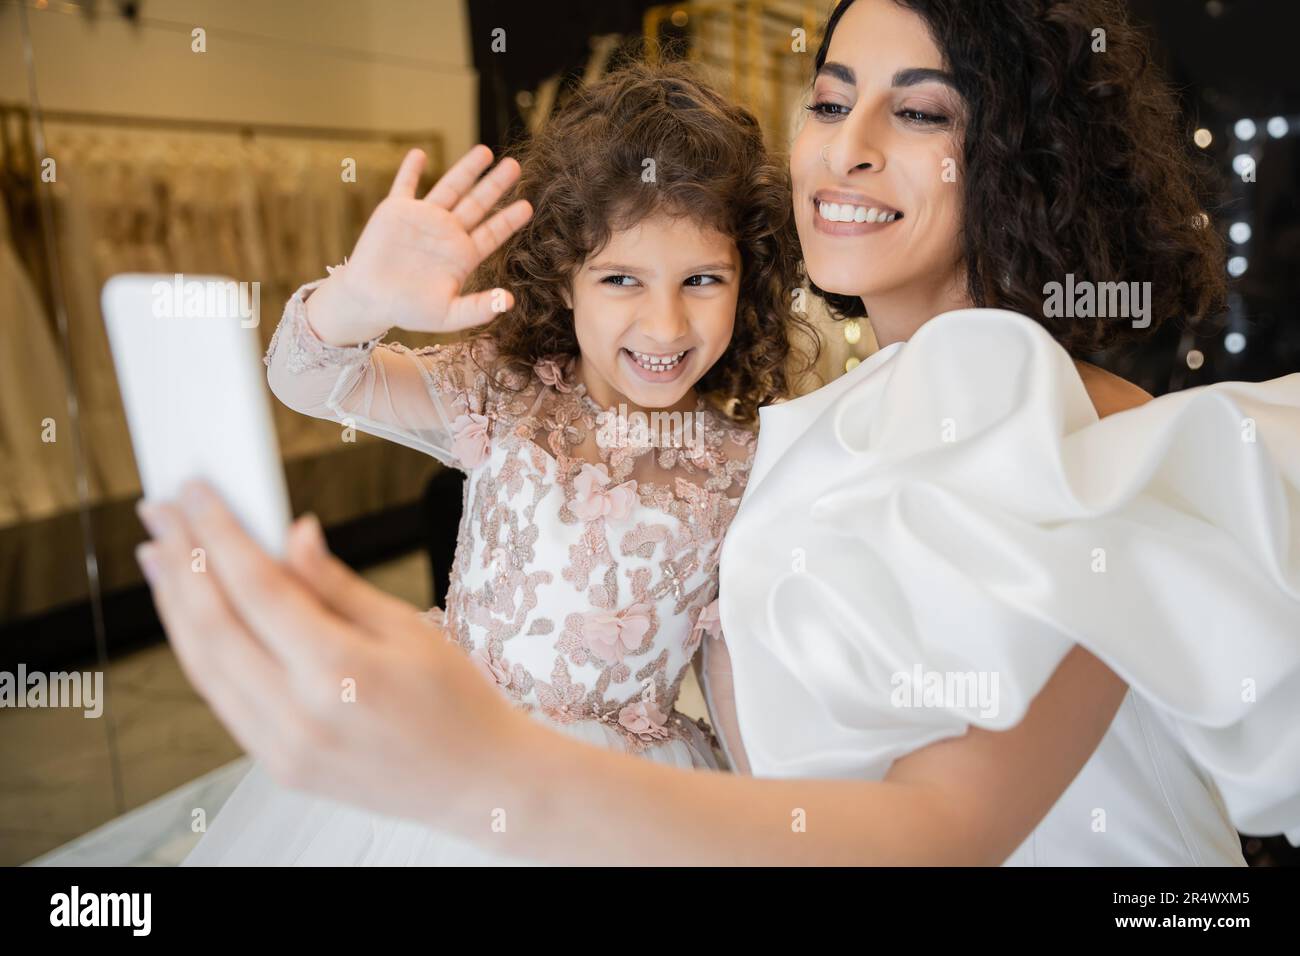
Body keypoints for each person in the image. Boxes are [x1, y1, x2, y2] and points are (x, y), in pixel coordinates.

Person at [139, 0, 1300, 865]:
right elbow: (759, 728)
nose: (847, 148)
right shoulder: (807, 422)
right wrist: (360, 295)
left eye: (921, 111)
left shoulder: (1085, 434)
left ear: (1025, 156)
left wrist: (479, 762)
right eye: (833, 98)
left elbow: (940, 831)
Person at [179, 60, 813, 864]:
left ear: (746, 283)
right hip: (442, 756)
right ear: (565, 279)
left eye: (702, 280)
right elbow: (304, 379)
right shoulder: (501, 393)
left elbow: (732, 680)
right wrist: (362, 301)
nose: (664, 323)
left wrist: (772, 825)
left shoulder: (742, 463)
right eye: (621, 277)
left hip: (618, 808)